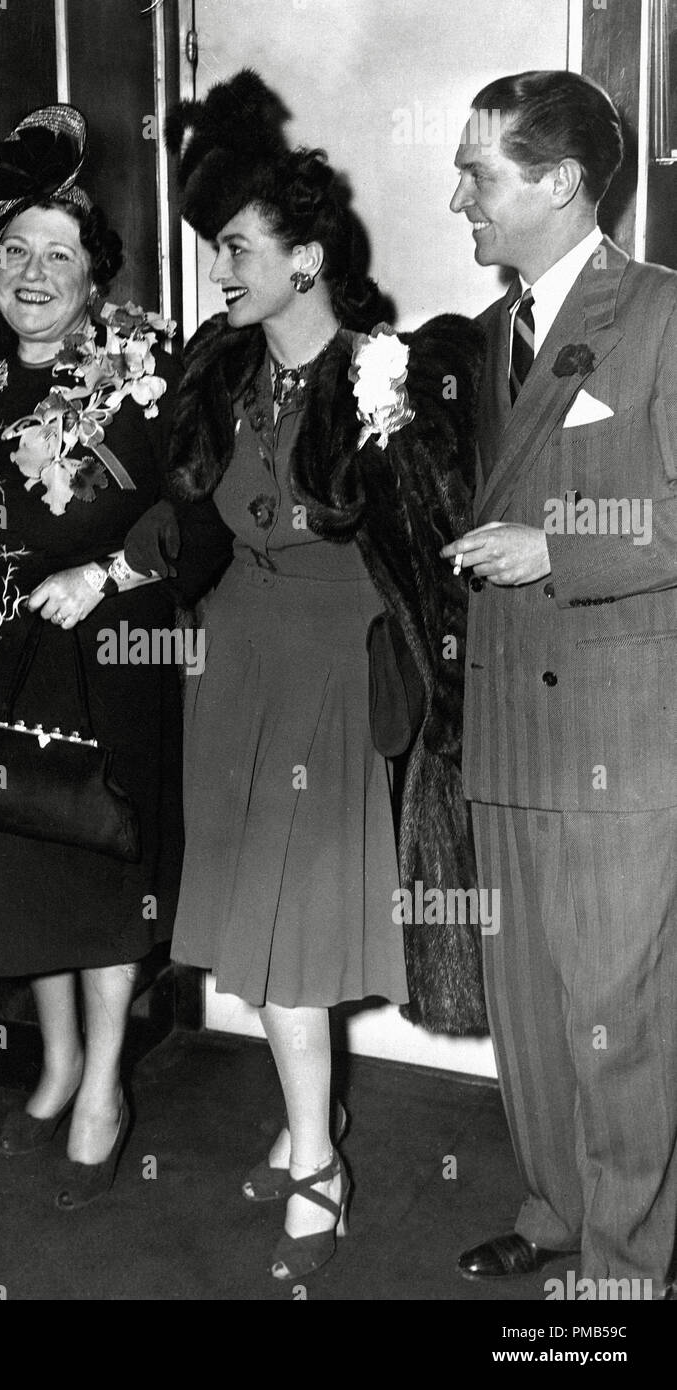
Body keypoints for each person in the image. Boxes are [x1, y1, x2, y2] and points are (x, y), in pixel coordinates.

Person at [161, 69, 486, 1281]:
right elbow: (188, 520)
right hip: (233, 669)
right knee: (259, 937)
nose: (219, 272)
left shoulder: (380, 373)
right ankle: (311, 1124)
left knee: (296, 948)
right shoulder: (223, 368)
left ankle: (316, 1164)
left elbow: (427, 546)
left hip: (330, 683)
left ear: (306, 258)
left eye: (236, 249)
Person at [0, 105, 224, 1210]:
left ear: (96, 279)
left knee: (97, 873)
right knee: (18, 864)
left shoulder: (142, 374)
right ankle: (53, 1063)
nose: (32, 274)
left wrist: (109, 577)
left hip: (103, 663)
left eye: (58, 257)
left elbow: (204, 520)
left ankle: (103, 1085)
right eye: (14, 253)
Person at [443, 71, 677, 1297]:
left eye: (478, 174)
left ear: (560, 185)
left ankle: (627, 1269)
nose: (457, 199)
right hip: (506, 721)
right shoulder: (487, 337)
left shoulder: (661, 315)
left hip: (616, 732)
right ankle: (553, 1206)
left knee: (614, 1017)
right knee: (529, 1009)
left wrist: (559, 548)